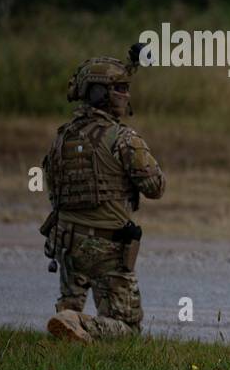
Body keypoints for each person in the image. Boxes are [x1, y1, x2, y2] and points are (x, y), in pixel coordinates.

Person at [43, 51, 164, 343]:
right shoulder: (123, 138)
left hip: (67, 240)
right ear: (100, 93)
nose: (126, 94)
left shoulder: (62, 137)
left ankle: (68, 319)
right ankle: (76, 321)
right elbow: (155, 187)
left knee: (70, 302)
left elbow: (54, 190)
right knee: (128, 330)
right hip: (107, 246)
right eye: (119, 88)